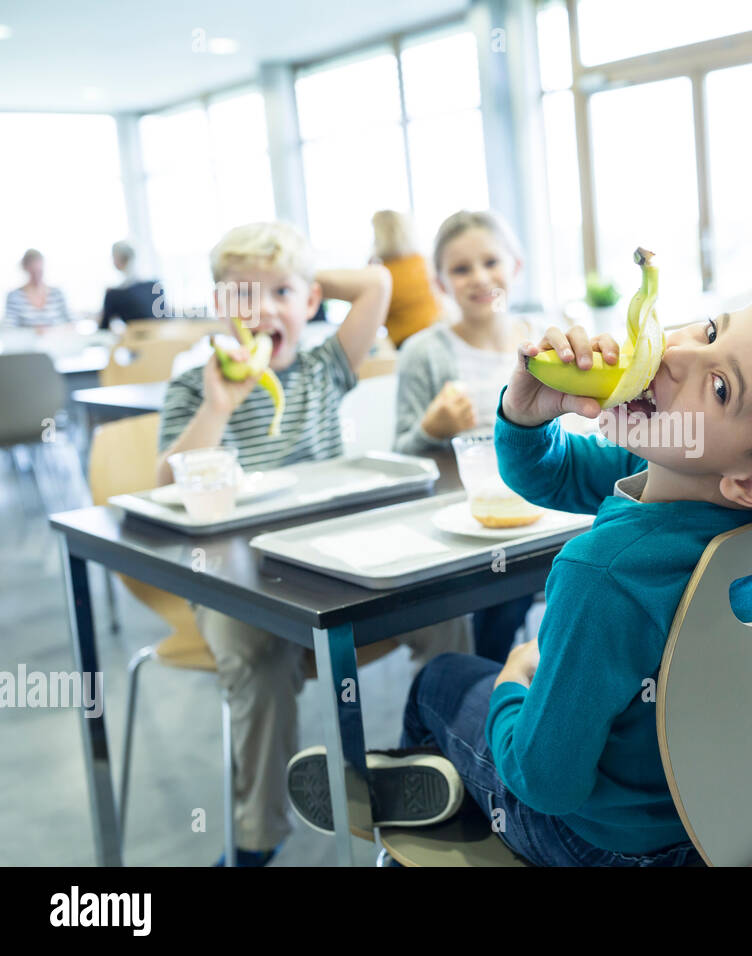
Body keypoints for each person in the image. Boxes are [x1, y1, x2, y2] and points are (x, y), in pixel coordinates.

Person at [285, 257, 752, 866]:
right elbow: (554, 471)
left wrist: (516, 680)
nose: (677, 351)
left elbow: (549, 782)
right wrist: (527, 411)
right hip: (719, 813)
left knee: (444, 680)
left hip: (596, 844)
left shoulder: (606, 573)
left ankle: (443, 807)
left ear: (750, 481)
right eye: (710, 328)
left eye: (718, 386)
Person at [156, 221, 471, 866]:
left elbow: (379, 283)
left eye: (280, 294)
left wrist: (298, 271)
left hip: (331, 563)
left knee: (445, 610)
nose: (262, 308)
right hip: (232, 576)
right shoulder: (194, 385)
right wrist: (218, 406)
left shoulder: (325, 365)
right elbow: (166, 484)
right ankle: (257, 837)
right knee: (253, 652)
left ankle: (434, 771)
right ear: (220, 307)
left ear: (310, 303)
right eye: (242, 296)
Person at [394, 210, 538, 662]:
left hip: (538, 509)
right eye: (460, 269)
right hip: (463, 523)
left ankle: (501, 684)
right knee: (507, 580)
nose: (479, 278)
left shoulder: (543, 343)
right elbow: (398, 457)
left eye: (491, 262)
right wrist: (429, 431)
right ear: (440, 283)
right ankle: (485, 684)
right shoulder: (424, 353)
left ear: (515, 266)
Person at [371, 210, 439, 347]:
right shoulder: (423, 262)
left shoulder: (382, 275)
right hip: (437, 335)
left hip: (406, 345)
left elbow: (371, 320)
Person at [100, 240, 167, 329]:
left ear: (117, 259)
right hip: (161, 338)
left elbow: (103, 327)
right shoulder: (156, 286)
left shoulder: (113, 294)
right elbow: (164, 317)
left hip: (135, 341)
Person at [5, 249, 73, 327]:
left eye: (39, 271)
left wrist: (53, 331)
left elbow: (72, 323)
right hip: (26, 339)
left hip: (57, 338)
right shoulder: (14, 296)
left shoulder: (57, 293)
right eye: (33, 271)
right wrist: (33, 331)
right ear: (26, 269)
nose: (37, 275)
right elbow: (9, 328)